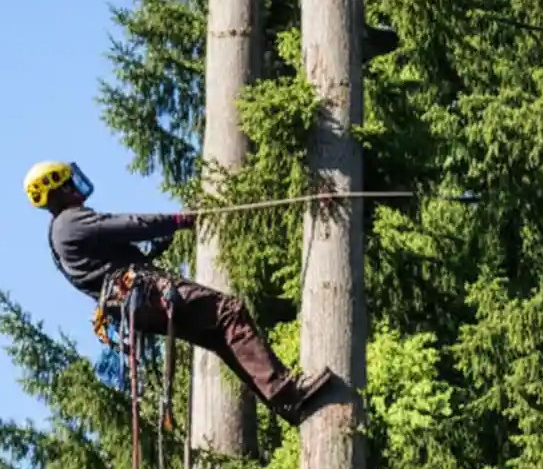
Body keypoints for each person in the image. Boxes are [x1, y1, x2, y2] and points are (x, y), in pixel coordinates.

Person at [23, 159, 332, 426]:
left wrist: (160, 242)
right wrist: (177, 221)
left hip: (137, 308)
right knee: (228, 311)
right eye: (69, 183)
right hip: (145, 293)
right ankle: (288, 393)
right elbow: (129, 225)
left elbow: (115, 258)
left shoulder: (59, 239)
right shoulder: (69, 222)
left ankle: (285, 403)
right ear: (59, 189)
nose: (77, 188)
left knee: (218, 335)